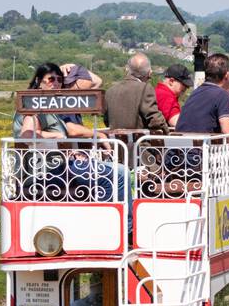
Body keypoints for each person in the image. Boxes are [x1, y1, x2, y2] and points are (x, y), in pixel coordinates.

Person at [13, 63, 126, 201]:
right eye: (51, 79)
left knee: (120, 169)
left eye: (60, 80)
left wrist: (71, 152)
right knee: (119, 175)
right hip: (46, 172)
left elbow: (97, 82)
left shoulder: (49, 106)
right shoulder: (33, 106)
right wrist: (57, 136)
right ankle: (123, 221)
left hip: (59, 166)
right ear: (38, 81)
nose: (56, 83)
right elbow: (28, 136)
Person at [174, 54, 229, 137]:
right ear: (227, 75)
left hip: (180, 146)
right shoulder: (221, 94)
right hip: (201, 148)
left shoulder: (195, 93)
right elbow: (227, 133)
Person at [104, 53, 167, 132]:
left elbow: (107, 120)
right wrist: (166, 131)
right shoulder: (145, 88)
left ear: (127, 70)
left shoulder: (110, 91)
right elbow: (155, 119)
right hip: (139, 142)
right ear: (149, 73)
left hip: (115, 142)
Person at [57, 62, 102, 128]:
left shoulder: (73, 100)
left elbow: (98, 81)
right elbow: (71, 130)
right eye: (80, 90)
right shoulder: (59, 101)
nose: (81, 96)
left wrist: (76, 67)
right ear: (68, 84)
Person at [156, 63, 192, 129]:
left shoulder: (159, 91)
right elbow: (176, 122)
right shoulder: (166, 96)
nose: (186, 88)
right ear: (171, 81)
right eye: (184, 84)